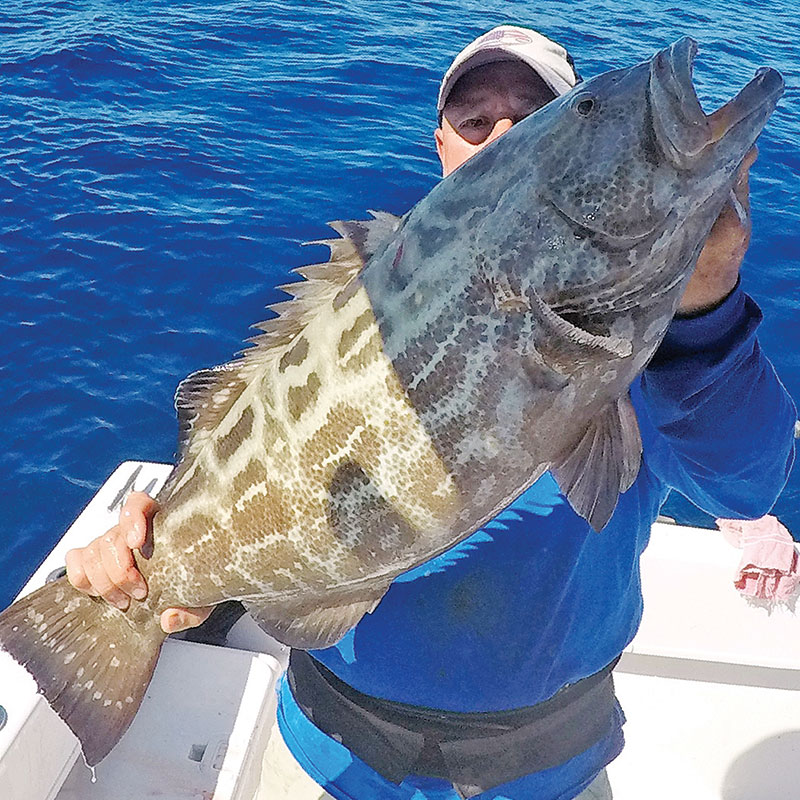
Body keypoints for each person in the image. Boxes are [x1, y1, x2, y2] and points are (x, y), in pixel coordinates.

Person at [65, 25, 796, 800]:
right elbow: (256, 464)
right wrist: (144, 556)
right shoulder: (374, 300)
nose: (503, 132)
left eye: (543, 113)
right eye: (476, 120)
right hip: (334, 755)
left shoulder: (660, 346)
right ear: (442, 147)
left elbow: (746, 486)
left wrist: (708, 299)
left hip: (550, 771)